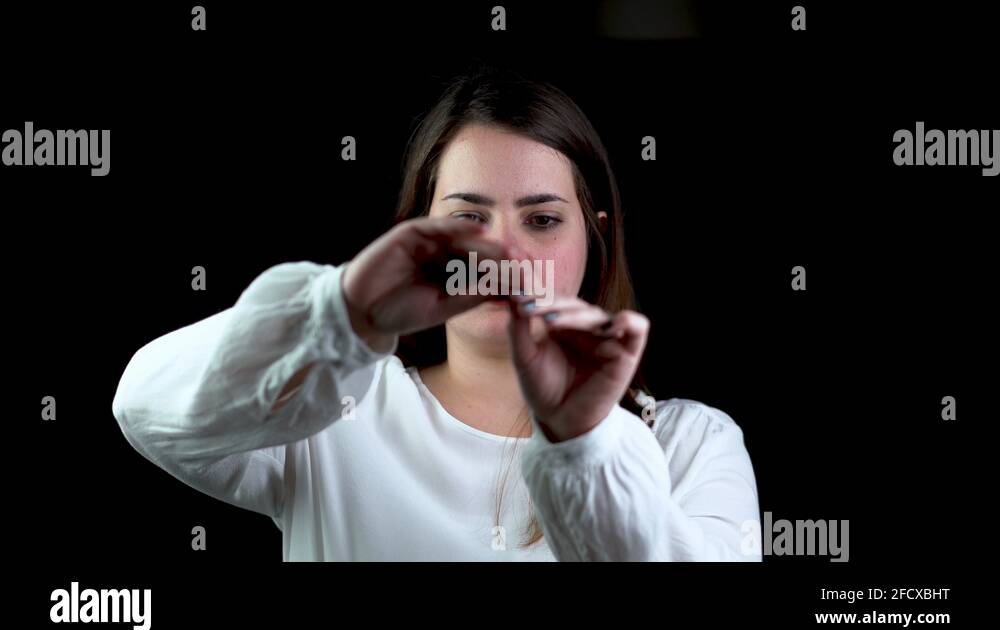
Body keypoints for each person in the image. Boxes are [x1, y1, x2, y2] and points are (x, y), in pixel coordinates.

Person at [112, 68, 761, 561]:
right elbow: (146, 408)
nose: (503, 251)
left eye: (541, 219)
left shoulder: (689, 445)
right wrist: (341, 313)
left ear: (593, 239)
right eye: (467, 217)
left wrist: (583, 443)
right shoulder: (329, 411)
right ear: (415, 235)